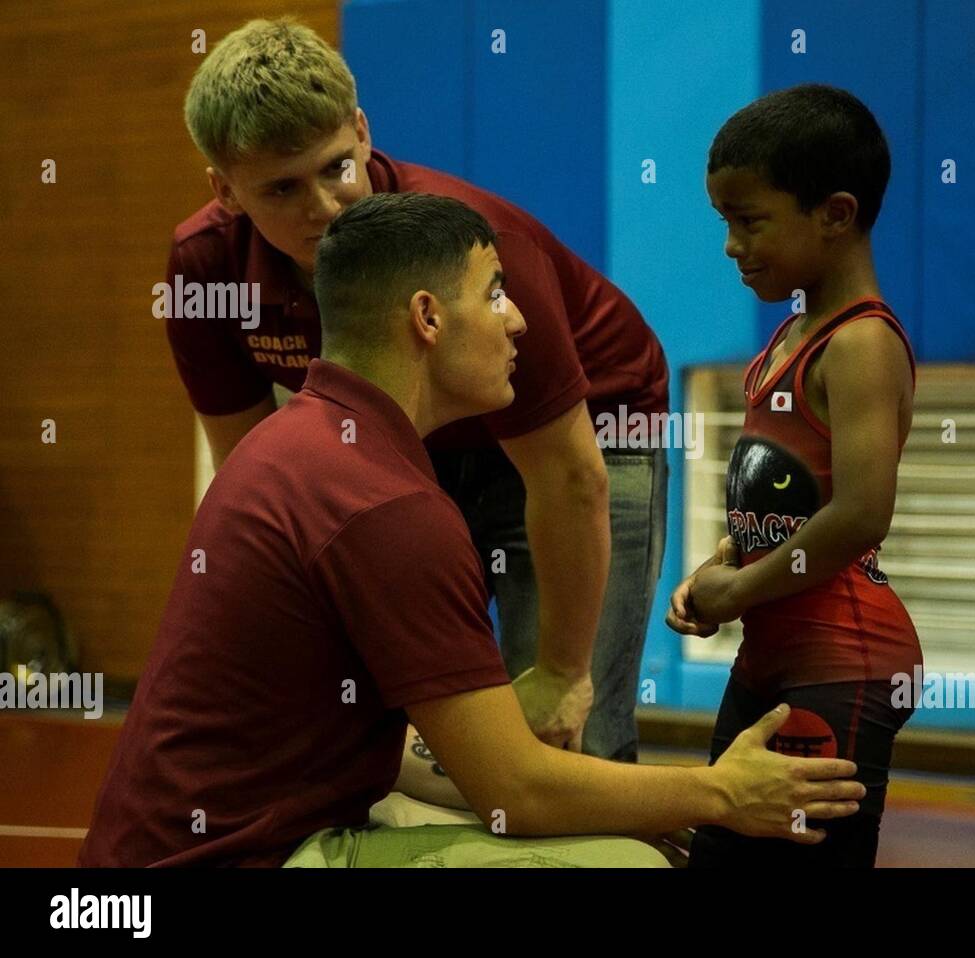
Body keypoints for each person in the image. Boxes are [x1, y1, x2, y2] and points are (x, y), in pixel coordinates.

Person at [78, 193, 866, 868]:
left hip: (176, 849)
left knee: (606, 822)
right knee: (627, 863)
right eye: (494, 294)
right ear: (426, 317)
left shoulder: (306, 445)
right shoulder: (385, 505)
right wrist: (720, 791)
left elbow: (434, 764)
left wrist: (648, 799)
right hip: (246, 856)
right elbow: (513, 791)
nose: (519, 317)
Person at [166, 17, 668, 763]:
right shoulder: (205, 269)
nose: (324, 207)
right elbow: (255, 479)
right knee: (381, 727)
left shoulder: (471, 241)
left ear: (363, 132)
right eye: (281, 187)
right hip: (410, 453)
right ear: (225, 190)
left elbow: (569, 478)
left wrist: (563, 673)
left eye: (337, 167)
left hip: (584, 435)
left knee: (568, 738)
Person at [668, 84, 923, 868]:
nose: (732, 247)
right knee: (721, 849)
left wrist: (740, 592)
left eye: (750, 223)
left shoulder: (860, 344)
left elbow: (858, 515)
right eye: (725, 224)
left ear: (836, 214)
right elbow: (785, 500)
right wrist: (721, 567)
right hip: (776, 655)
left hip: (842, 659)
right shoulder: (789, 336)